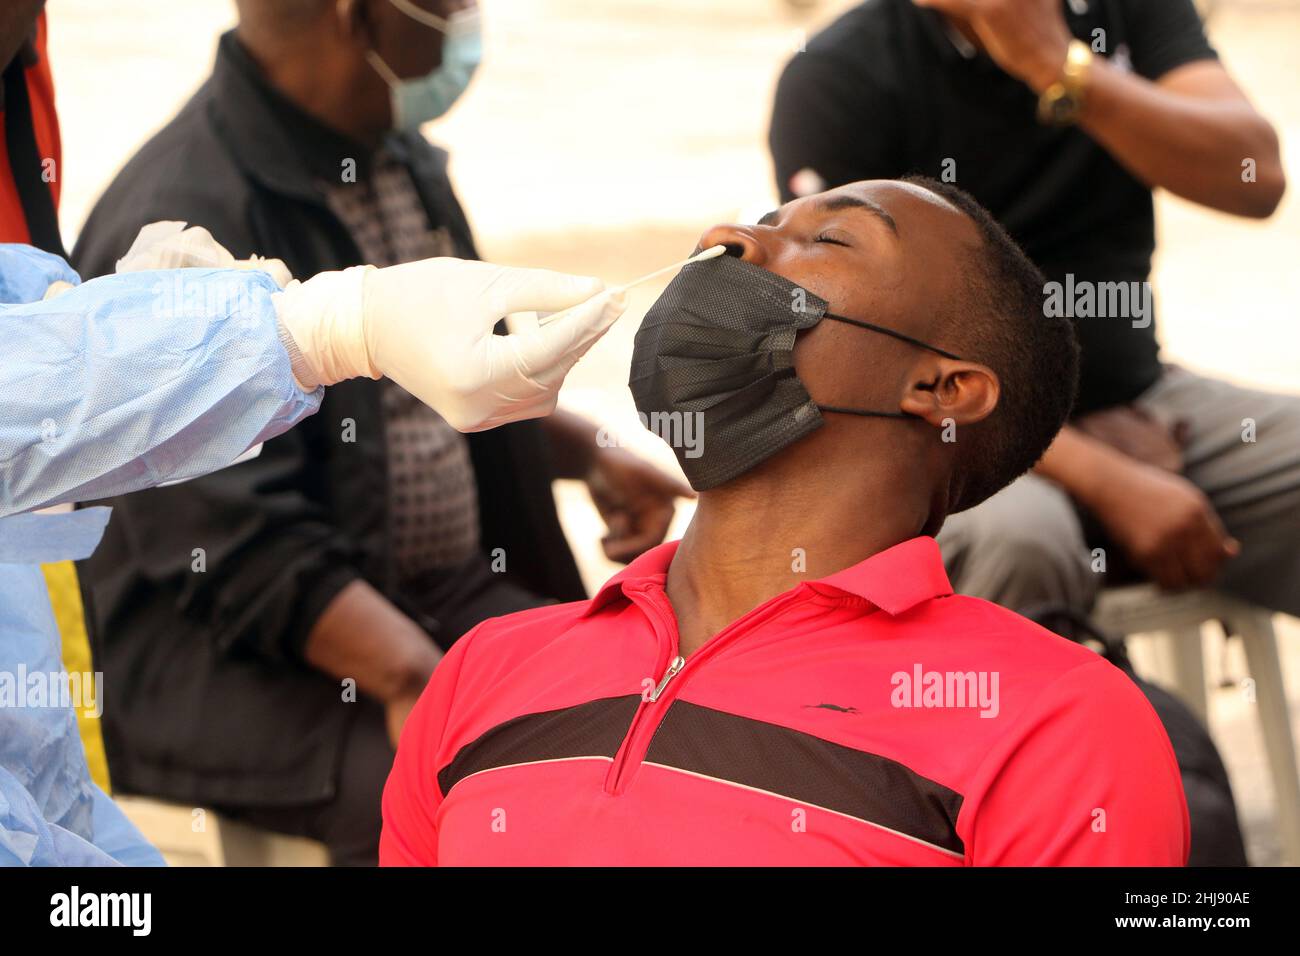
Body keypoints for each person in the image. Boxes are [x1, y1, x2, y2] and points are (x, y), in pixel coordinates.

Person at [380, 178, 1189, 866]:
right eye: (761, 220)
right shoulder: (483, 671)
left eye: (830, 238)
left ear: (943, 390)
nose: (726, 238)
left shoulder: (1055, 723)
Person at [71, 0, 685, 865]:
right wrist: (413, 679)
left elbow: (450, 384)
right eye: (453, 5)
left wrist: (590, 451)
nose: (469, 24)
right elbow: (231, 546)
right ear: (361, 20)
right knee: (466, 795)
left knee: (652, 703)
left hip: (436, 591)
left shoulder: (397, 159)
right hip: (249, 656)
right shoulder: (182, 218)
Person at [768, 0, 1296, 620]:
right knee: (1018, 545)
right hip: (949, 435)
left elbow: (1254, 175)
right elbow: (867, 346)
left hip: (1142, 402)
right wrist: (1103, 477)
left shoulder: (1122, 15)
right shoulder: (839, 72)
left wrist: (1060, 68)